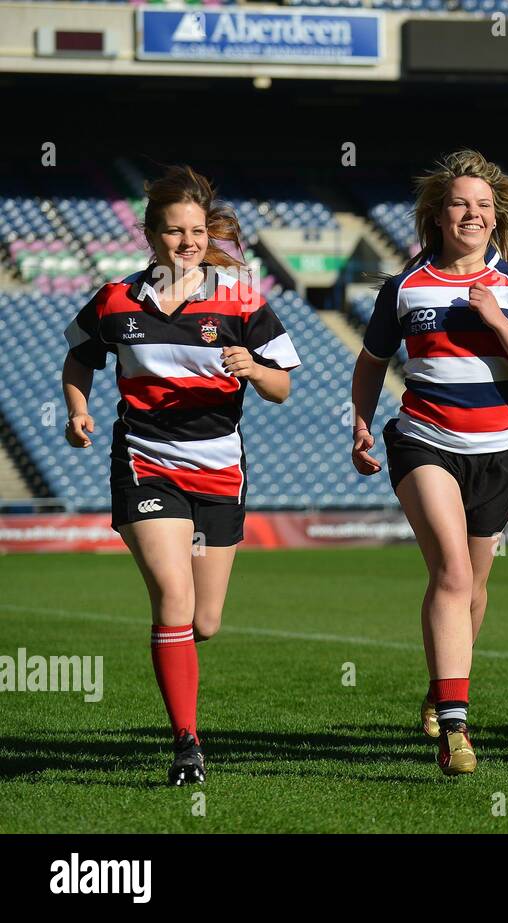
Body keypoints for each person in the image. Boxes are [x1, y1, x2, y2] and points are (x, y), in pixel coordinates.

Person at [62, 165, 300, 785]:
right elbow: (79, 358)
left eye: (196, 230)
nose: (187, 241)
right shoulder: (116, 299)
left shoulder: (241, 297)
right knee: (172, 598)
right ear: (151, 234)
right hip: (144, 460)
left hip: (219, 466)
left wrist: (252, 366)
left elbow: (282, 387)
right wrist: (79, 410)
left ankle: (185, 695)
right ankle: (187, 745)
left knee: (205, 621)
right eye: (174, 231)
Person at [350, 150, 508, 776]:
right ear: (439, 216)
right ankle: (455, 726)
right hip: (422, 441)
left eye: (483, 206)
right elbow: (370, 361)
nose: (472, 214)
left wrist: (495, 319)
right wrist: (361, 422)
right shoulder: (405, 286)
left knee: (474, 584)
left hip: (496, 453)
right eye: (460, 204)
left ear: (497, 220)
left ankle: (441, 685)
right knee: (451, 572)